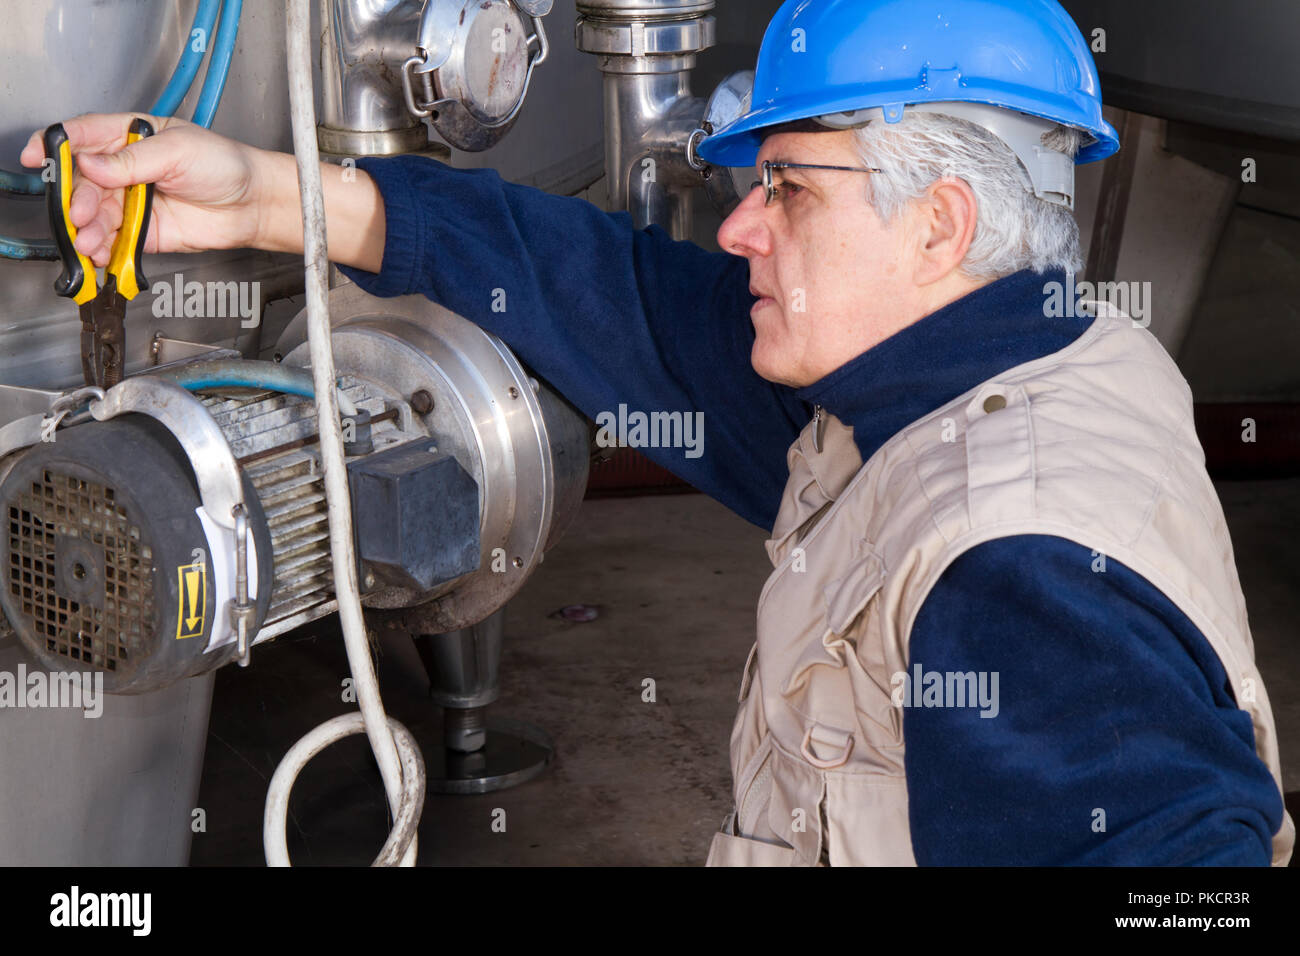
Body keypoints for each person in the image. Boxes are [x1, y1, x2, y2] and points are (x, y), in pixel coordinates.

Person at [23, 0, 1291, 865]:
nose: (738, 228)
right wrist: (266, 192)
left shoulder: (1016, 573)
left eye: (788, 190)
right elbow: (608, 293)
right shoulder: (977, 365)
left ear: (939, 226)